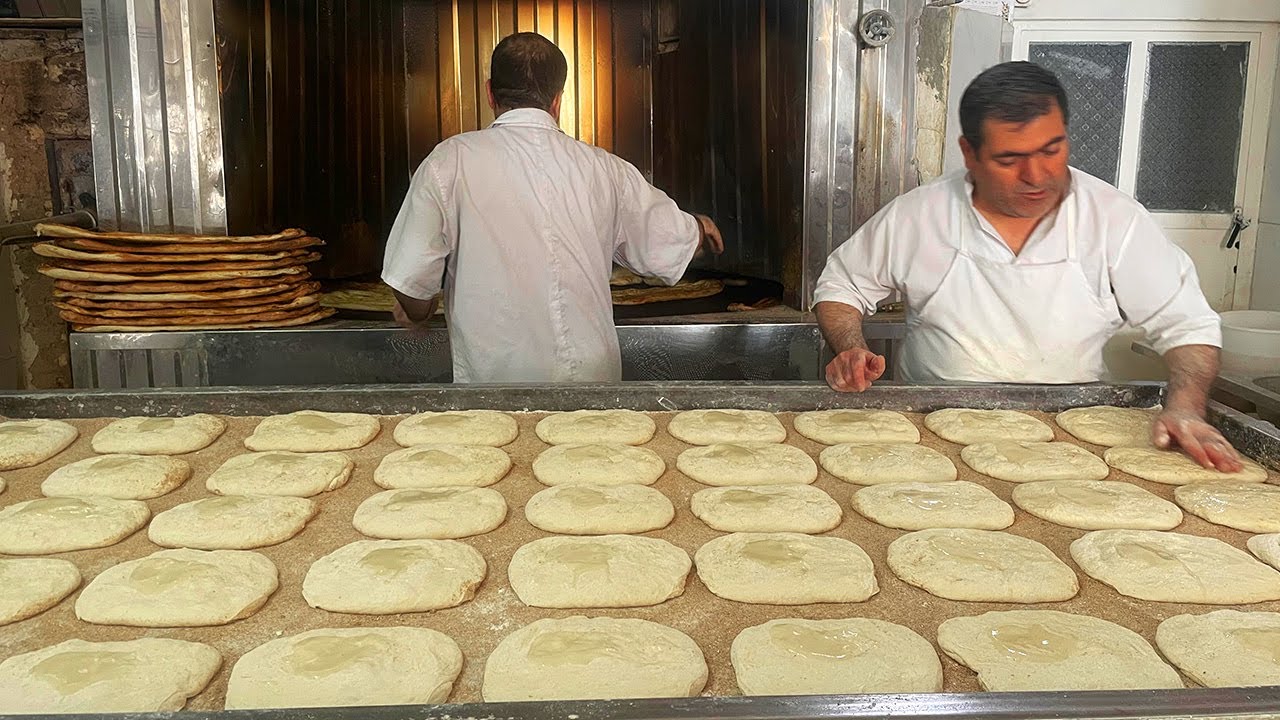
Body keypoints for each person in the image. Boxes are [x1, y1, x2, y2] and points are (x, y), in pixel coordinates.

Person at [813, 61, 1242, 471]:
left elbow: (1186, 323)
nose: (1036, 176)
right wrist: (851, 348)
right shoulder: (920, 215)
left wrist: (1186, 405)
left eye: (1051, 151)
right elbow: (842, 285)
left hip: (1074, 431)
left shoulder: (1113, 219)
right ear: (970, 153)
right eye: (1009, 159)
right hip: (931, 425)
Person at [383, 32, 722, 383]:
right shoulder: (605, 169)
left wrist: (420, 312)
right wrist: (698, 228)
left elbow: (410, 282)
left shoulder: (448, 163)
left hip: (495, 386)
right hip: (593, 384)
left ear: (489, 93)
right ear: (558, 100)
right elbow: (666, 242)